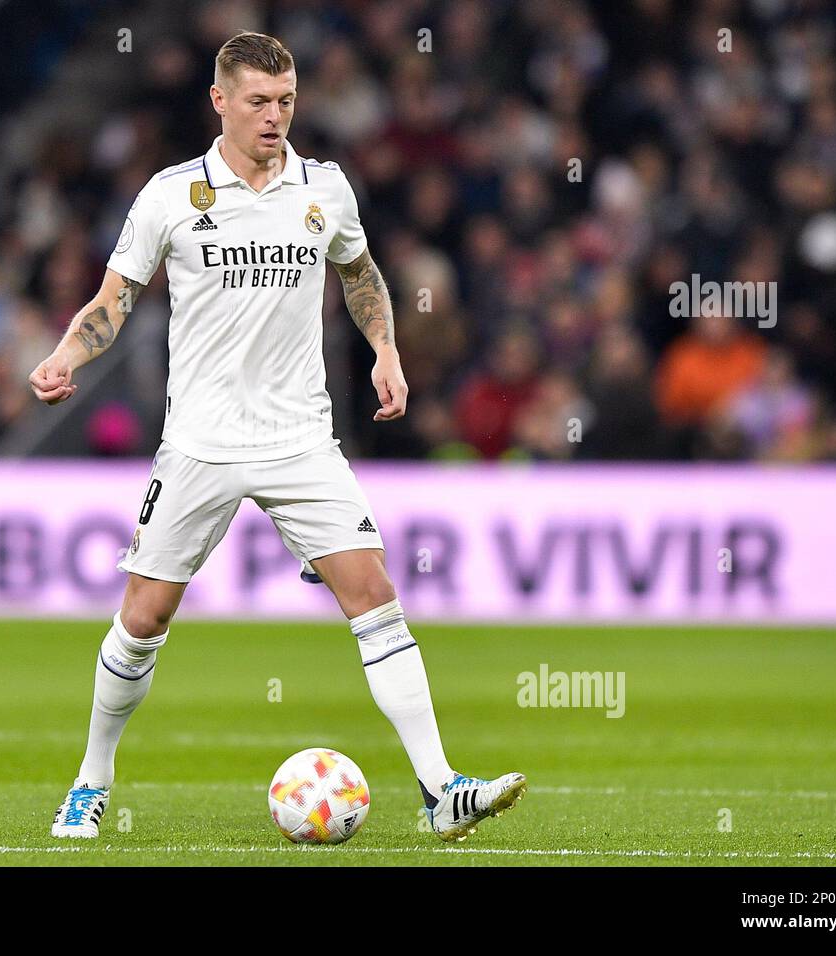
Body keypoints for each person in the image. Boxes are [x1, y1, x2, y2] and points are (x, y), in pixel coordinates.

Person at [28, 32, 526, 842]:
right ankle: (91, 781)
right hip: (200, 440)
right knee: (145, 616)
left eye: (287, 100)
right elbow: (113, 300)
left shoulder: (324, 188)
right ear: (219, 100)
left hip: (301, 436)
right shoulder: (169, 195)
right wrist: (64, 353)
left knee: (374, 594)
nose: (275, 116)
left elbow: (360, 276)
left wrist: (387, 351)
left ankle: (441, 790)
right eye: (258, 101)